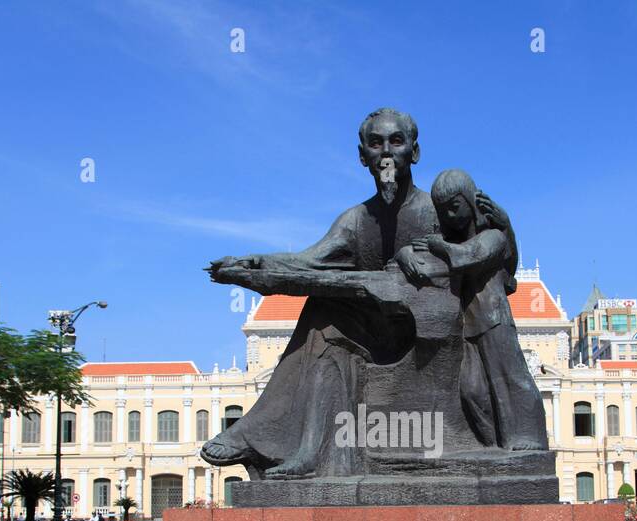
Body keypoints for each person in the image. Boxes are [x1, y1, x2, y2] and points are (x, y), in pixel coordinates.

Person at [202, 108, 514, 479]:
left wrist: (504, 226)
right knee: (324, 315)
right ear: (362, 156)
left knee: (330, 313)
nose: (386, 153)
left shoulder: (439, 209)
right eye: (376, 143)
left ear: (414, 152)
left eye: (396, 142)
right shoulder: (355, 220)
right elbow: (309, 261)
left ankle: (272, 438)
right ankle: (308, 450)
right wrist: (257, 265)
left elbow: (492, 256)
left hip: (433, 331)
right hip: (375, 332)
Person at [403, 169, 547, 451]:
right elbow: (413, 254)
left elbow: (468, 256)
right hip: (467, 326)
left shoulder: (492, 237)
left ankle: (528, 438)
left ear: (470, 202)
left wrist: (438, 244)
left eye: (454, 208)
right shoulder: (450, 244)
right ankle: (493, 444)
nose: (449, 217)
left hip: (494, 320)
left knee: (510, 378)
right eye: (443, 211)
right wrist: (406, 253)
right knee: (472, 390)